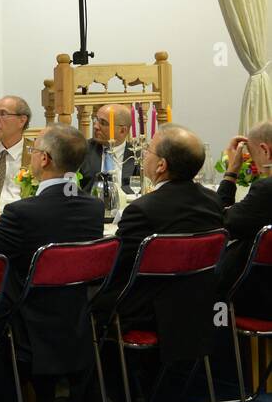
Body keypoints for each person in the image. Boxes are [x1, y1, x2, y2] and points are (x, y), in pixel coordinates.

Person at [0, 124, 104, 402]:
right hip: (76, 311)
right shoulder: (93, 208)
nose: (31, 155)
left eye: (34, 150)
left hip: (26, 316)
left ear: (44, 160)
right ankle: (62, 387)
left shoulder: (21, 213)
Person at [102, 126, 223, 364]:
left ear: (161, 166)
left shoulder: (142, 210)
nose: (143, 154)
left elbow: (118, 268)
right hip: (199, 303)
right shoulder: (213, 201)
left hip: (149, 311)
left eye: (148, 150)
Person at [215, 123, 272, 313]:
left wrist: (232, 170)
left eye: (254, 159)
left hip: (258, 296)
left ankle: (222, 337)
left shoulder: (266, 190)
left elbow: (221, 226)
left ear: (265, 150)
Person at [78, 104, 138, 195]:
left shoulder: (137, 155)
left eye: (103, 123)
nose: (96, 126)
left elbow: (142, 187)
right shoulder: (82, 150)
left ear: (122, 130)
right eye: (96, 120)